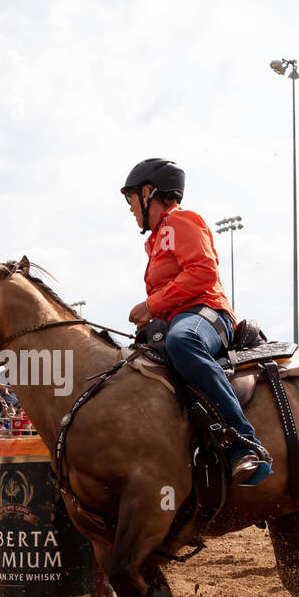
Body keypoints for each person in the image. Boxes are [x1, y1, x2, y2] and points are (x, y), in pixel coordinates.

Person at [121, 158, 270, 486]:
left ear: (148, 193)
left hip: (209, 314)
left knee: (181, 342)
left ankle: (242, 441)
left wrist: (151, 305)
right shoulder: (155, 240)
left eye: (130, 197)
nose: (130, 206)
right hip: (177, 318)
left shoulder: (183, 221)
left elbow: (203, 271)